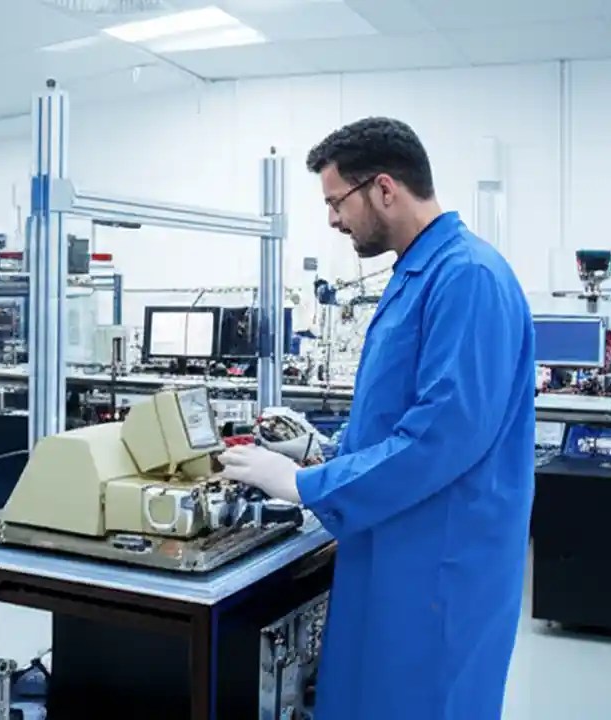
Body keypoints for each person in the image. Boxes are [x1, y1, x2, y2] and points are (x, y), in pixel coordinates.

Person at [219, 117, 535, 719]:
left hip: (439, 563)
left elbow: (441, 436)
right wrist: (320, 453)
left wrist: (304, 486)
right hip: (397, 545)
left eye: (336, 202)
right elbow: (394, 413)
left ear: (384, 189)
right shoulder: (417, 271)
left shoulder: (465, 276)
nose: (333, 220)